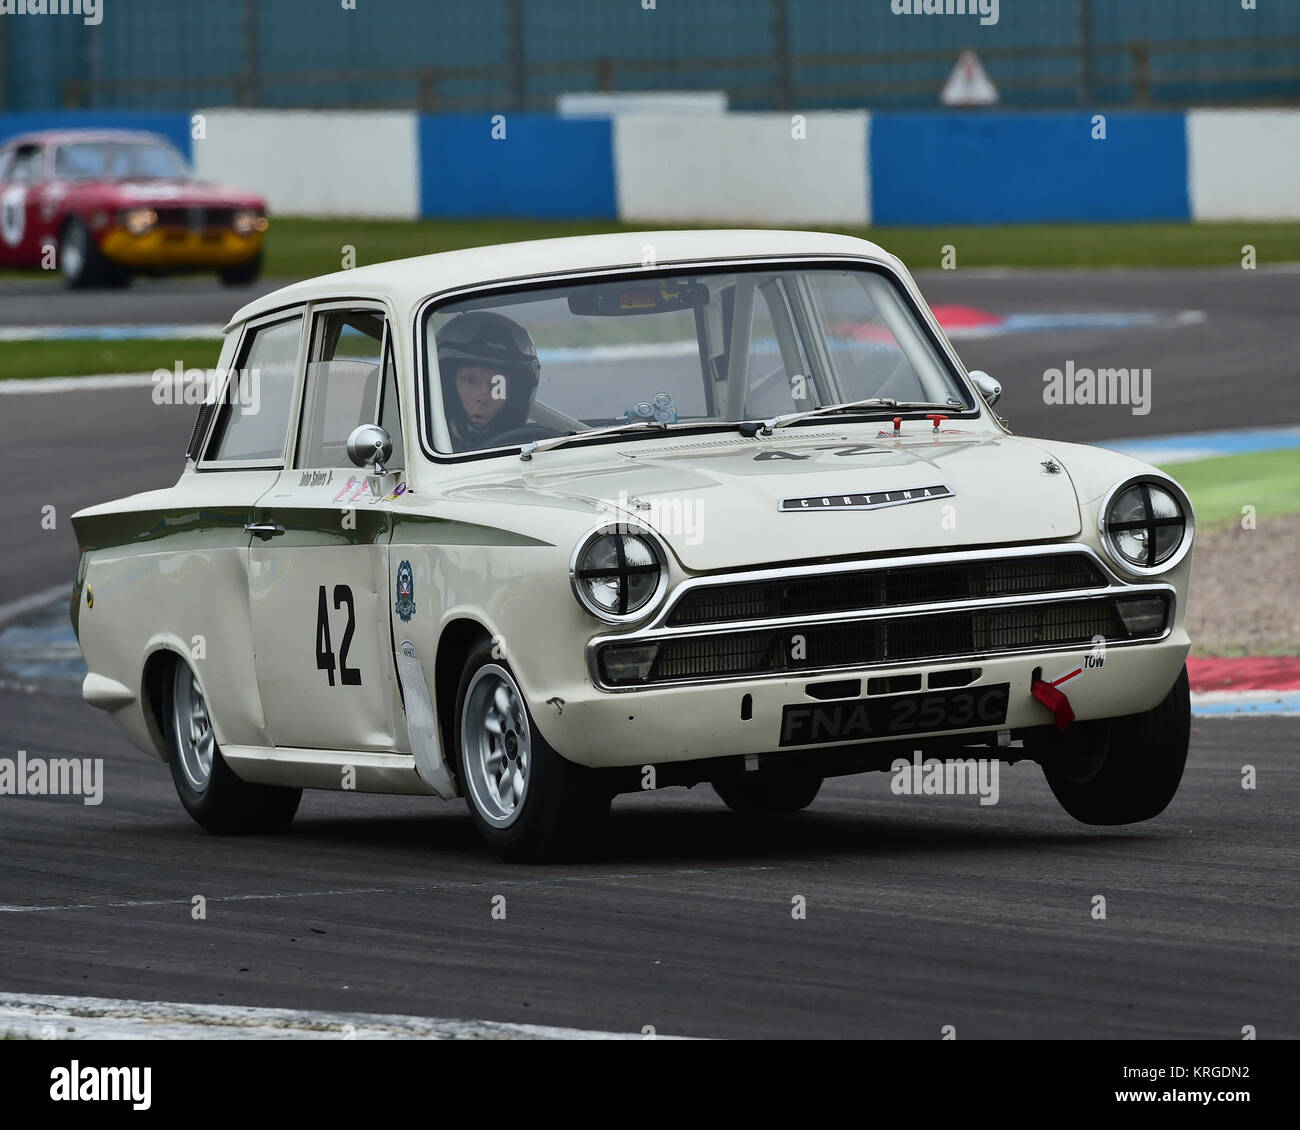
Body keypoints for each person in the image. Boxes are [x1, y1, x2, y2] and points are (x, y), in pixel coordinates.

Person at [436, 310, 541, 450]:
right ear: (446, 384)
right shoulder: (417, 446)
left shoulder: (537, 448)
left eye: (498, 384)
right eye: (471, 380)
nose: (483, 397)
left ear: (515, 394)